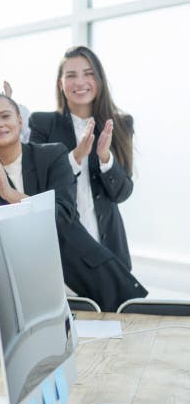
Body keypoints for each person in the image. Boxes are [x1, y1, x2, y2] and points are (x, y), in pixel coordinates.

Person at [0, 89, 147, 311]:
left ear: (20, 121)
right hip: (27, 290)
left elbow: (61, 214)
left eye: (5, 116)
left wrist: (12, 196)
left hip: (83, 275)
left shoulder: (52, 155)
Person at [29, 45, 135, 269]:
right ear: (60, 84)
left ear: (99, 80)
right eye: (71, 75)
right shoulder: (42, 124)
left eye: (88, 74)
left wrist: (105, 158)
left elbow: (122, 192)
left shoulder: (121, 124)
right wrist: (75, 157)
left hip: (108, 248)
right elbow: (38, 189)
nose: (80, 82)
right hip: (61, 250)